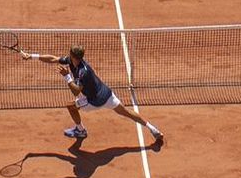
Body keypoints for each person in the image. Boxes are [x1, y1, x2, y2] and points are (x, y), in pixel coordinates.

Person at [19, 45, 162, 148]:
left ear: (73, 56)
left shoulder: (82, 72)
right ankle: (153, 129)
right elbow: (53, 59)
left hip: (94, 100)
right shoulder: (73, 61)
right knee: (126, 112)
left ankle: (80, 131)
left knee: (71, 106)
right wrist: (31, 56)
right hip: (107, 93)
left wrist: (67, 76)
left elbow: (76, 91)